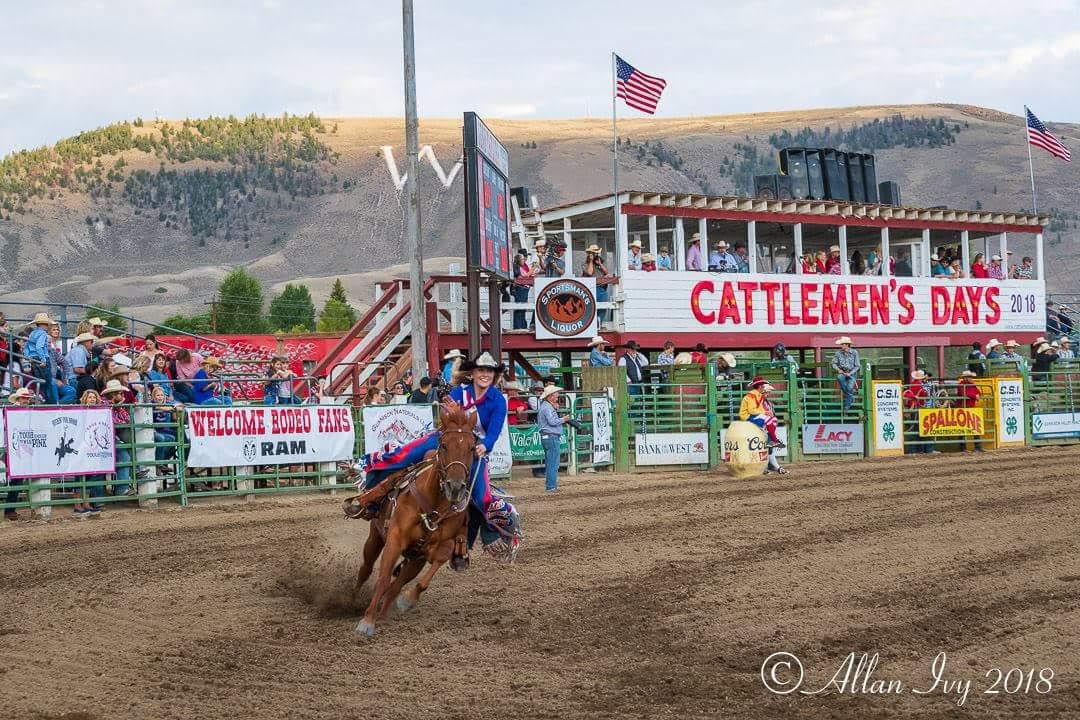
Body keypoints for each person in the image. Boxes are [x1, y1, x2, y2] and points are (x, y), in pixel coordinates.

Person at [357, 352, 520, 556]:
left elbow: (494, 432)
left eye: (489, 371)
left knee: (482, 498)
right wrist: (449, 412)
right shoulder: (460, 393)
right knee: (401, 456)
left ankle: (481, 535)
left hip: (474, 449)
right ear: (472, 373)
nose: (485, 374)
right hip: (446, 440)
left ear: (494, 375)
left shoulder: (497, 401)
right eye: (481, 370)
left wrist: (485, 446)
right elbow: (446, 419)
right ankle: (370, 499)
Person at [739, 377, 787, 475]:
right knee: (759, 447)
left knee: (765, 447)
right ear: (761, 389)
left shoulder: (766, 402)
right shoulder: (754, 397)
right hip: (753, 425)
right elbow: (753, 411)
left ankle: (772, 466)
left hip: (761, 426)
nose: (768, 394)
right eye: (766, 392)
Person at [3, 387, 36, 519]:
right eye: (24, 398)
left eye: (27, 398)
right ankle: (9, 510)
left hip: (19, 448)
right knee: (16, 479)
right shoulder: (11, 411)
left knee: (18, 480)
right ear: (18, 399)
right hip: (13, 448)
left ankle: (10, 510)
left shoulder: (20, 411)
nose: (26, 400)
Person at [537, 384, 574, 492]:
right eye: (555, 396)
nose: (557, 398)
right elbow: (552, 422)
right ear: (550, 396)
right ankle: (551, 486)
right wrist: (564, 419)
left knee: (551, 462)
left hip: (548, 436)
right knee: (553, 463)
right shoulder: (547, 408)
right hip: (551, 437)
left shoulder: (545, 407)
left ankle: (551, 485)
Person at [101, 379, 134, 497]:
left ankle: (124, 486)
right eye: (120, 393)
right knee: (125, 456)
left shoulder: (119, 407)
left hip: (113, 438)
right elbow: (110, 420)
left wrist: (118, 407)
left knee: (125, 454)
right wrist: (115, 406)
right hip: (103, 439)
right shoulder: (103, 403)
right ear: (113, 394)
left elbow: (127, 420)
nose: (123, 395)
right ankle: (123, 486)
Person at [26, 312, 57, 404]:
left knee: (40, 383)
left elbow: (27, 347)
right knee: (47, 383)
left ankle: (42, 401)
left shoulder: (32, 334)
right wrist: (43, 360)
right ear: (43, 324)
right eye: (47, 324)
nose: (48, 326)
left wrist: (29, 357)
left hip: (34, 359)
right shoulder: (43, 334)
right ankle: (50, 404)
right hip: (42, 359)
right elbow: (39, 347)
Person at [903, 370, 933, 454]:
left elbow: (907, 394)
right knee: (918, 429)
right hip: (918, 409)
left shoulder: (913, 384)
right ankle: (922, 450)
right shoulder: (919, 385)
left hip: (913, 409)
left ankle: (914, 450)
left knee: (914, 429)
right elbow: (925, 395)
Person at [956, 370, 984, 452]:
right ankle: (963, 447)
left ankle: (977, 446)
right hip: (963, 409)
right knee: (963, 428)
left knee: (975, 427)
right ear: (965, 378)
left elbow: (978, 393)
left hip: (970, 408)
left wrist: (976, 395)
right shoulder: (961, 385)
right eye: (970, 377)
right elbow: (964, 394)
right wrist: (975, 396)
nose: (972, 378)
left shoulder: (971, 385)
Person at [582, 244, 610, 324]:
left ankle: (599, 324)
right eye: (594, 253)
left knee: (603, 307)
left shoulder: (599, 263)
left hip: (602, 288)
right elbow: (590, 272)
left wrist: (600, 264)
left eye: (596, 253)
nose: (596, 255)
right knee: (592, 308)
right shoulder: (585, 264)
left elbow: (607, 273)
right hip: (592, 288)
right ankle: (592, 324)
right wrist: (591, 260)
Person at [831, 336, 860, 412]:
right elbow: (833, 363)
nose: (841, 345)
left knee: (849, 388)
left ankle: (847, 406)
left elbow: (857, 366)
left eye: (842, 344)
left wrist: (850, 373)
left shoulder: (854, 352)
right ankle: (850, 400)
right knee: (840, 377)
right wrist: (838, 369)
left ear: (847, 345)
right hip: (843, 372)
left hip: (852, 373)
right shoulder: (838, 353)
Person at [511, 251, 532, 330]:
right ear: (518, 260)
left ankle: (522, 326)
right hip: (520, 288)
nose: (524, 260)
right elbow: (523, 277)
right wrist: (534, 268)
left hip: (524, 288)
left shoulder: (521, 267)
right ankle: (518, 326)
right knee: (519, 307)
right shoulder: (516, 267)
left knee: (523, 308)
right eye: (522, 259)